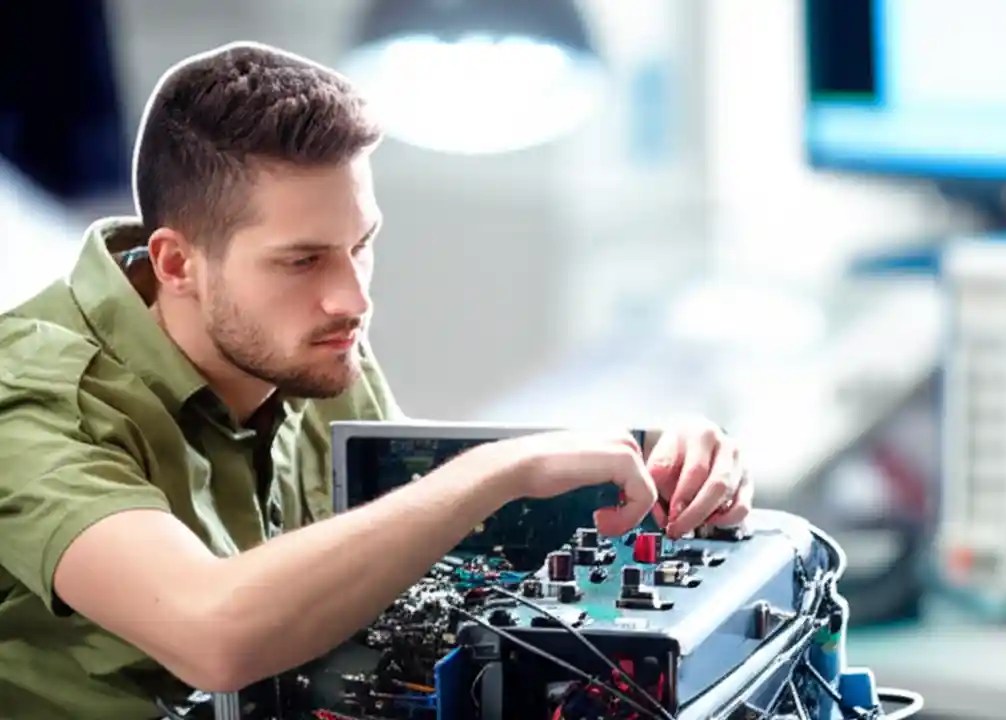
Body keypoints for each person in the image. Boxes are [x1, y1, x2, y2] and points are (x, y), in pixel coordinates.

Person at [0, 41, 753, 719]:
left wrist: (661, 469)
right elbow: (213, 632)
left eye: (361, 246)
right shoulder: (29, 401)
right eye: (303, 260)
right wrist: (497, 466)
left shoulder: (301, 342)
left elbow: (416, 553)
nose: (353, 300)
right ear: (176, 264)